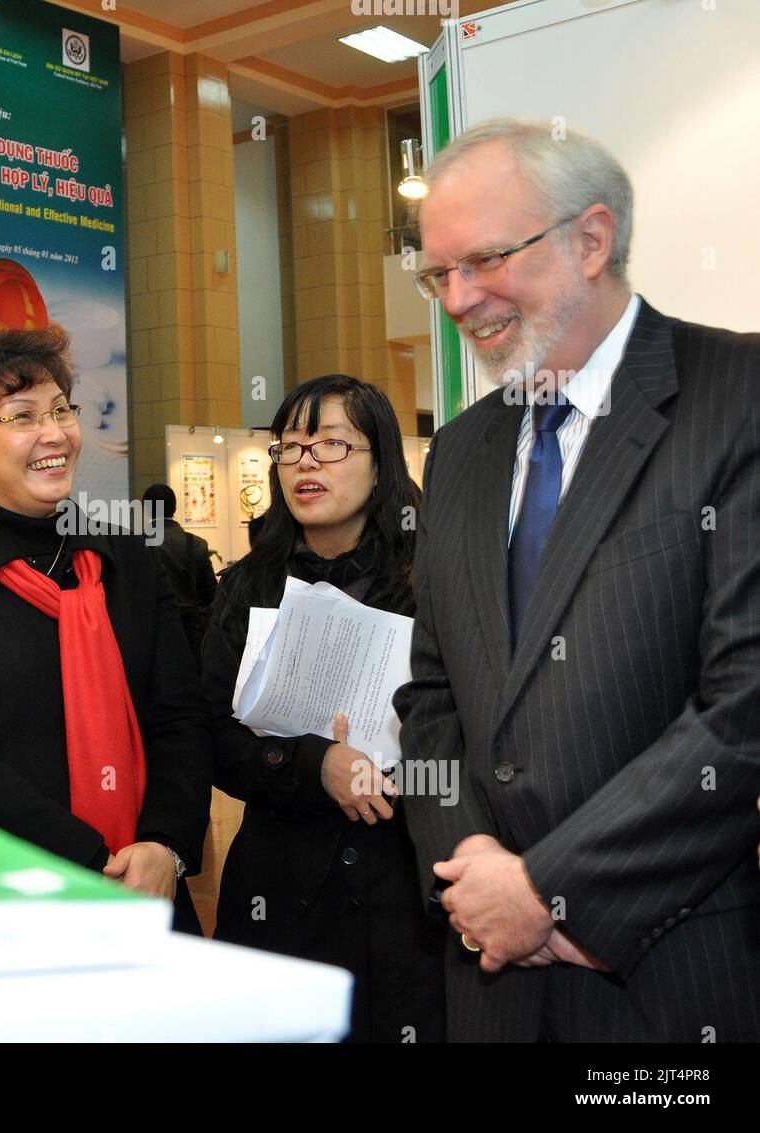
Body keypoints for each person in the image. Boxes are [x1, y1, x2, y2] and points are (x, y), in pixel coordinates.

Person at [394, 119, 760, 1042]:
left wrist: (550, 890)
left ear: (591, 239)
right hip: (491, 981)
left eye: (481, 260)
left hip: (671, 975)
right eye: (439, 274)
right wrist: (470, 864)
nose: (459, 299)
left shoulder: (736, 396)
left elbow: (743, 707)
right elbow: (431, 695)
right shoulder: (464, 453)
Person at [0, 326, 212, 930]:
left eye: (62, 410)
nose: (55, 433)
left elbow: (179, 716)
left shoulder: (127, 560)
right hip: (6, 900)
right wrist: (92, 861)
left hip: (150, 890)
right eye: (22, 416)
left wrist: (164, 847)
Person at [202, 375, 444, 1042]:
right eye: (290, 447)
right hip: (280, 885)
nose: (305, 462)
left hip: (404, 880)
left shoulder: (435, 578)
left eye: (332, 444)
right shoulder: (247, 587)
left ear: (381, 461)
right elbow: (210, 738)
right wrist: (314, 764)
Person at [141, 482, 216, 663]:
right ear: (174, 507)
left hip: (154, 635)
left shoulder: (138, 544)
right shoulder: (196, 544)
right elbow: (211, 592)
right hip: (192, 634)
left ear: (147, 509)